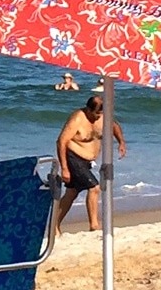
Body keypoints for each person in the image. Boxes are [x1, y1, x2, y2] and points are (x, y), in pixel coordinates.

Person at [53, 95, 127, 235]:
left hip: (87, 161)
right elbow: (61, 142)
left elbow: (114, 126)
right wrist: (64, 168)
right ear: (88, 109)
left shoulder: (103, 117)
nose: (97, 117)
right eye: (95, 114)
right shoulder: (77, 119)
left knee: (72, 193)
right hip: (73, 157)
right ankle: (94, 224)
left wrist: (121, 142)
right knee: (94, 187)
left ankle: (53, 225)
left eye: (100, 114)